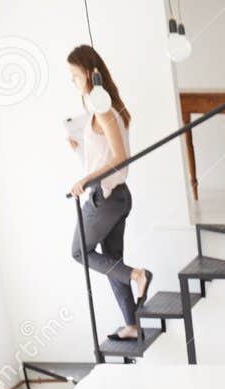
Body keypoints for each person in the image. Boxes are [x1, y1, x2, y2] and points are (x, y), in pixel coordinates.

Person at [66, 46, 151, 342]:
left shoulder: (103, 110)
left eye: (76, 76)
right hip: (116, 196)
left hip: (107, 197)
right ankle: (132, 324)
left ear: (91, 74)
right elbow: (103, 156)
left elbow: (119, 158)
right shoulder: (105, 108)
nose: (73, 82)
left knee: (79, 252)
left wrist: (85, 179)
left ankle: (137, 275)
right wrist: (79, 149)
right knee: (113, 260)